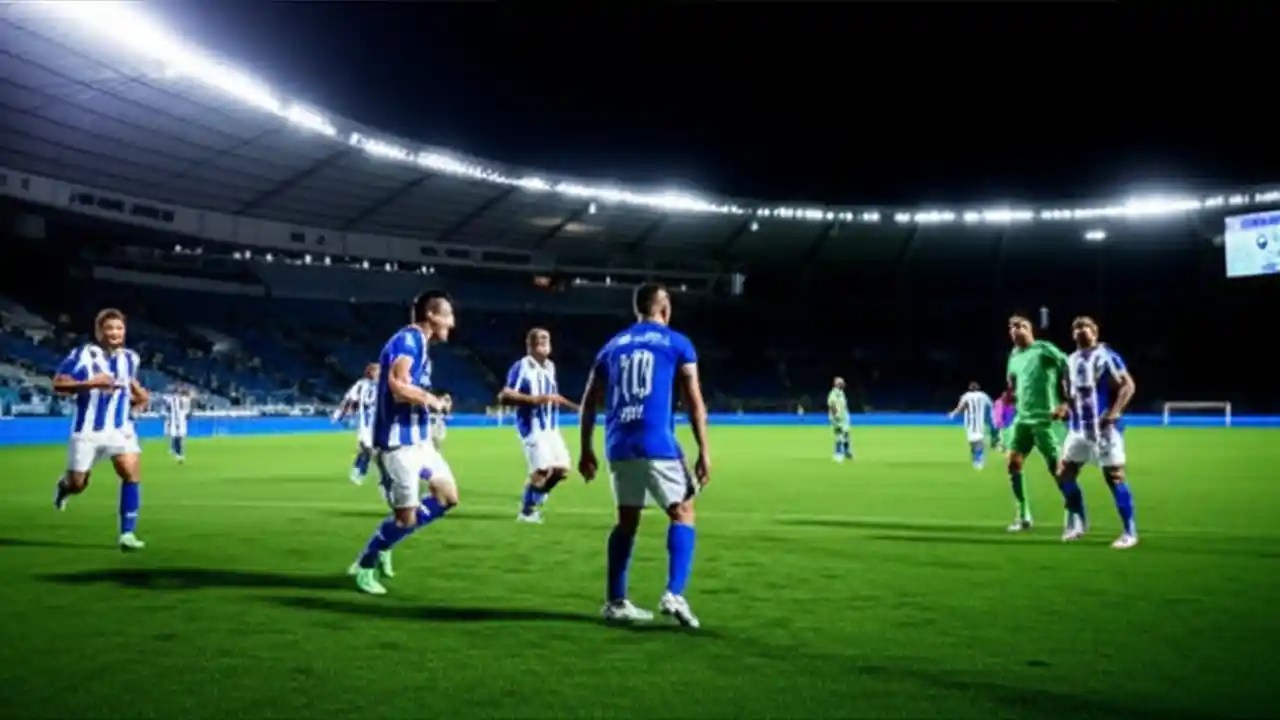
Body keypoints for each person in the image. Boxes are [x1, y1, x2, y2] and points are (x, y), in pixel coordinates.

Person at [579, 283, 710, 628]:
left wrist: (586, 450)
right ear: (664, 309)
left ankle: (615, 601)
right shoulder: (677, 342)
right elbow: (694, 400)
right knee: (683, 512)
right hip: (657, 442)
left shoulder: (612, 345)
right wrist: (703, 452)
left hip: (618, 443)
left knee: (626, 520)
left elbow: (589, 399)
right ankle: (674, 593)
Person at [346, 291, 457, 595]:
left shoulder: (421, 346)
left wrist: (434, 401)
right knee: (405, 520)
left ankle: (390, 537)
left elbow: (411, 389)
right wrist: (432, 400)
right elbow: (397, 387)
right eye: (448, 314)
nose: (453, 321)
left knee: (448, 496)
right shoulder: (408, 340)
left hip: (420, 442)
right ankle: (366, 564)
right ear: (432, 315)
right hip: (398, 447)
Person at [51, 308, 149, 551]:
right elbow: (58, 383)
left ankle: (127, 534)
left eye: (119, 328)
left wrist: (141, 396)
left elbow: (129, 382)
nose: (115, 333)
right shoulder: (83, 354)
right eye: (109, 328)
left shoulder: (131, 358)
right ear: (98, 331)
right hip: (87, 431)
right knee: (78, 483)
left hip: (120, 429)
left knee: (131, 472)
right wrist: (89, 383)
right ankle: (65, 487)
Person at [1060, 316, 1138, 548]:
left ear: (1095, 331)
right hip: (1078, 429)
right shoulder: (1070, 360)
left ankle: (1130, 531)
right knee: (1064, 473)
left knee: (1114, 477)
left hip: (1104, 430)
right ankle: (1079, 521)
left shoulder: (1106, 356)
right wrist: (1065, 408)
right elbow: (1069, 394)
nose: (1080, 331)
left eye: (1085, 327)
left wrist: (1114, 412)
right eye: (1076, 328)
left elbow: (1128, 385)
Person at [499, 328, 580, 523]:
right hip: (532, 428)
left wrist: (576, 407)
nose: (545, 342)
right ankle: (526, 512)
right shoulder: (522, 367)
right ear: (530, 344)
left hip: (551, 429)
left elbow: (553, 397)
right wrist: (535, 399)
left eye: (547, 339)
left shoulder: (550, 367)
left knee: (561, 470)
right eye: (540, 339)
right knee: (542, 470)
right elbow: (505, 395)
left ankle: (539, 493)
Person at [1004, 314, 1070, 532]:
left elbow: (1069, 367)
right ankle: (1023, 516)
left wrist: (1065, 402)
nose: (1016, 329)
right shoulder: (1013, 356)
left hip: (1045, 420)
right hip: (1022, 419)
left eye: (1021, 326)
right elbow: (1013, 383)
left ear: (1030, 330)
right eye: (1012, 327)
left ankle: (1073, 511)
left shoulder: (1043, 349)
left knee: (1057, 468)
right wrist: (1010, 397)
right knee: (1013, 463)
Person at [333, 363, 379, 485]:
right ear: (370, 372)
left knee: (371, 449)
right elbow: (349, 399)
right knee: (368, 449)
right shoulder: (361, 385)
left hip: (378, 423)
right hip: (365, 422)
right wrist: (340, 414)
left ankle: (358, 470)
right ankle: (359, 472)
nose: (380, 373)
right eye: (377, 371)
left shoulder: (382, 385)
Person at [948, 381, 993, 470]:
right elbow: (991, 406)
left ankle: (977, 459)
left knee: (974, 442)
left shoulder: (966, 396)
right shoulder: (983, 396)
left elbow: (960, 407)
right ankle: (978, 458)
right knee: (978, 441)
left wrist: (953, 414)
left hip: (970, 423)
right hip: (980, 422)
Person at [163, 385, 193, 463]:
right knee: (177, 437)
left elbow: (168, 408)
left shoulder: (178, 399)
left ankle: (178, 453)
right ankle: (178, 454)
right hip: (177, 420)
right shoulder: (178, 399)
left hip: (178, 420)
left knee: (178, 437)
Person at [828, 377, 853, 462]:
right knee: (839, 435)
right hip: (837, 418)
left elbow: (844, 405)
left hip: (843, 417)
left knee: (846, 434)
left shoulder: (841, 393)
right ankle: (838, 453)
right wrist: (836, 416)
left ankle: (846, 452)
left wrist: (847, 414)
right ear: (838, 384)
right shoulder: (833, 394)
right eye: (842, 383)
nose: (843, 384)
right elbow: (832, 405)